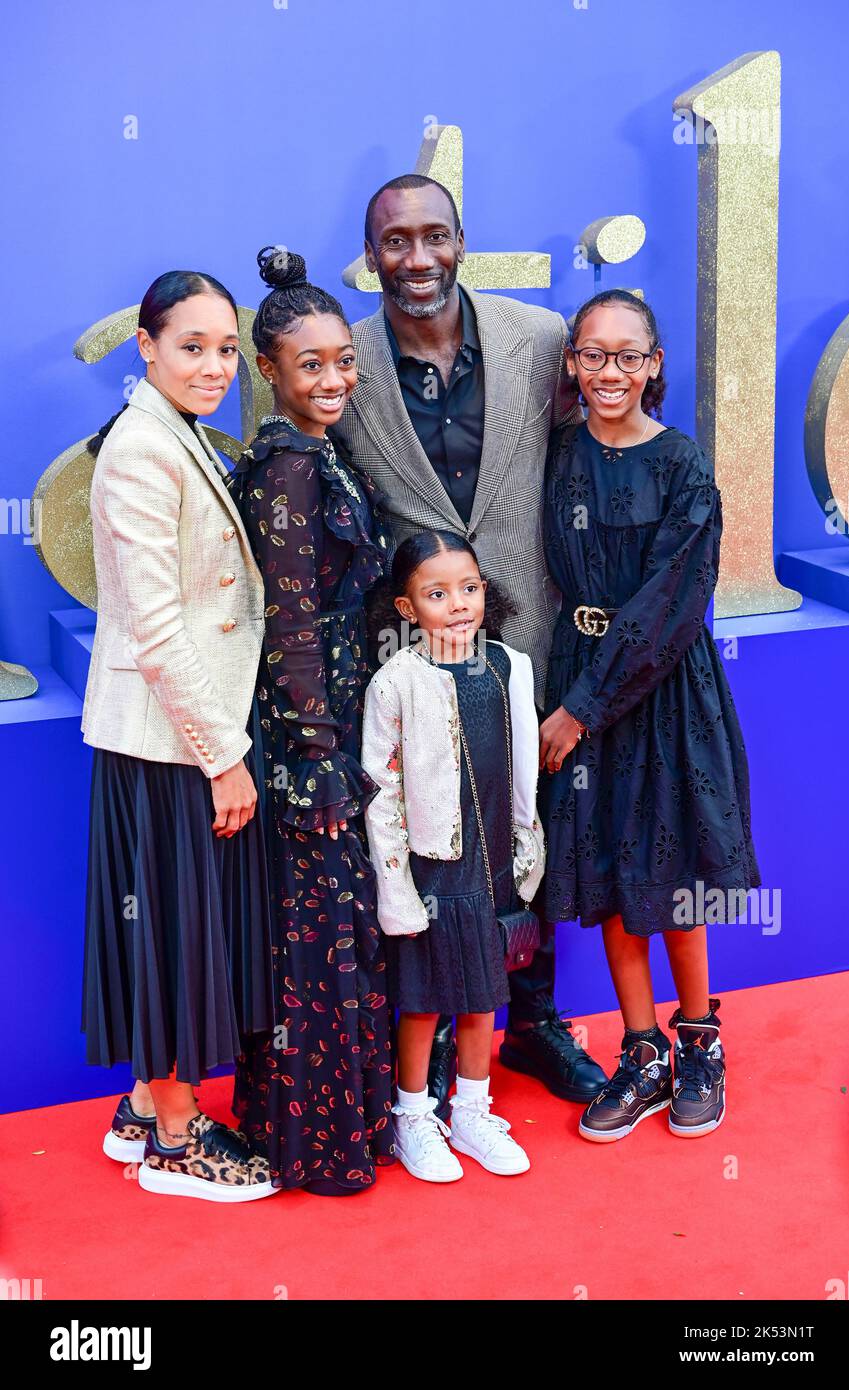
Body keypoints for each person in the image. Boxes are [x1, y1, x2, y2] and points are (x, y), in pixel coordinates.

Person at [331, 173, 607, 1113]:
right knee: (427, 838)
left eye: (433, 236)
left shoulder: (536, 341)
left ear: (462, 239)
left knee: (525, 828)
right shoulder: (346, 359)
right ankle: (433, 1037)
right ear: (371, 256)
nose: (416, 259)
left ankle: (528, 1024)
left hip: (525, 635)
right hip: (409, 658)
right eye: (394, 242)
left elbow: (587, 464)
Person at [540, 288, 761, 1142]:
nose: (610, 372)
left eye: (629, 355)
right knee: (605, 876)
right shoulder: (558, 456)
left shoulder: (682, 465)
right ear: (572, 363)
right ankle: (640, 1054)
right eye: (593, 354)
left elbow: (674, 602)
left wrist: (581, 711)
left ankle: (699, 1043)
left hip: (662, 688)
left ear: (655, 363)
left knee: (673, 881)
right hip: (577, 675)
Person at [82, 270, 277, 1201]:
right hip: (168, 745)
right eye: (192, 346)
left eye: (227, 349)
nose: (214, 366)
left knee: (169, 927)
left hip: (180, 736)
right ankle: (175, 1136)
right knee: (168, 929)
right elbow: (158, 631)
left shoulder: (175, 434)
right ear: (146, 347)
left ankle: (141, 1104)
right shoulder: (139, 452)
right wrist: (226, 757)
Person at [227, 248, 395, 1194]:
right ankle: (317, 1146)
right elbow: (289, 621)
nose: (333, 379)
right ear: (270, 372)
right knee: (319, 933)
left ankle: (334, 1129)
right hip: (306, 736)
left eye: (343, 360)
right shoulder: (287, 466)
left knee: (333, 928)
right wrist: (319, 755)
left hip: (328, 716)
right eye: (311, 366)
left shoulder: (310, 449)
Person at [361, 530, 545, 1182]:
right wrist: (396, 887)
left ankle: (471, 1109)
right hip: (433, 871)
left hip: (494, 860)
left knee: (481, 996)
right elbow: (381, 793)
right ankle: (414, 1116)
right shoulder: (396, 683)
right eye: (437, 594)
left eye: (468, 588)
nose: (458, 603)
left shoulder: (509, 666)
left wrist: (527, 849)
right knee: (422, 999)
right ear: (408, 609)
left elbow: (523, 769)